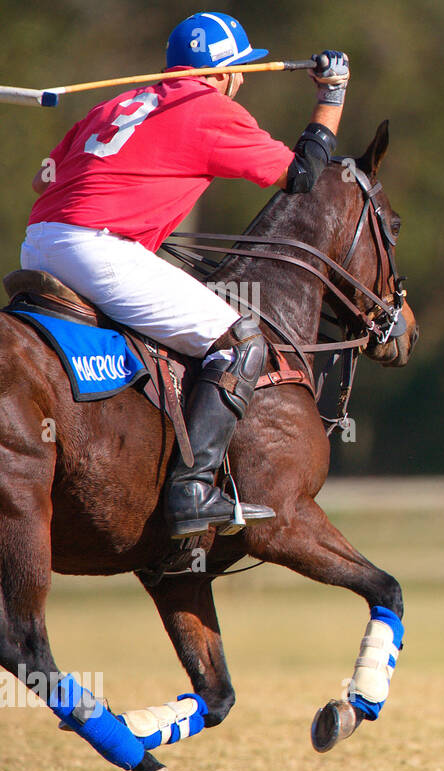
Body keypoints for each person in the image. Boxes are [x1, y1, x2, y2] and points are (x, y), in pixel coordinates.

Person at [21, 12, 349, 538]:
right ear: (220, 74)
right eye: (239, 69)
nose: (241, 80)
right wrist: (331, 96)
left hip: (39, 244)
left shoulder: (115, 105)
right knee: (240, 341)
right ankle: (191, 489)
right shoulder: (211, 111)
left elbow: (43, 181)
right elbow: (303, 175)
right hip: (100, 251)